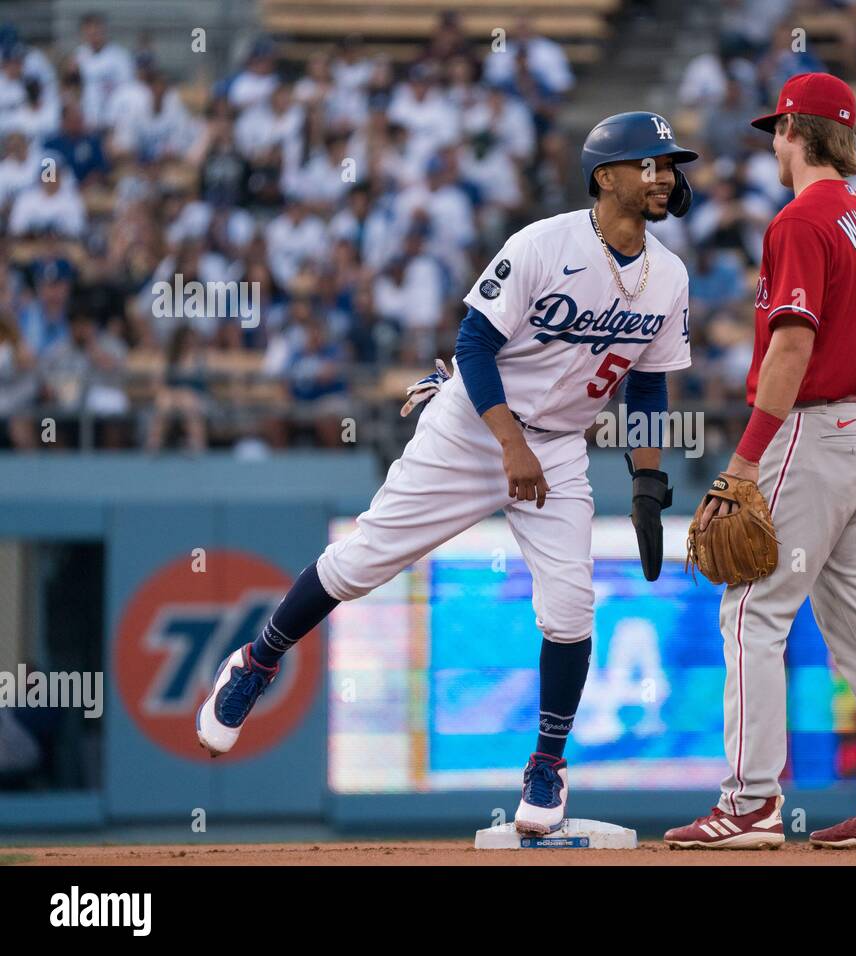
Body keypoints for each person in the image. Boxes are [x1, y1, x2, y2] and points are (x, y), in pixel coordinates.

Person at [196, 112, 697, 835]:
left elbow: (648, 386)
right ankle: (256, 660)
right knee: (363, 561)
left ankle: (548, 763)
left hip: (556, 446)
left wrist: (648, 483)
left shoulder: (669, 276)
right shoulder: (542, 244)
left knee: (572, 606)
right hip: (473, 428)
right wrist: (507, 444)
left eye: (669, 165)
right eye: (650, 163)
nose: (665, 177)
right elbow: (474, 342)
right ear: (606, 176)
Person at [665, 73, 856, 850]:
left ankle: (750, 802)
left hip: (812, 433)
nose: (773, 144)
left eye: (778, 130)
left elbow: (792, 344)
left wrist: (746, 460)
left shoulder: (800, 219)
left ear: (799, 132)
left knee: (750, 610)